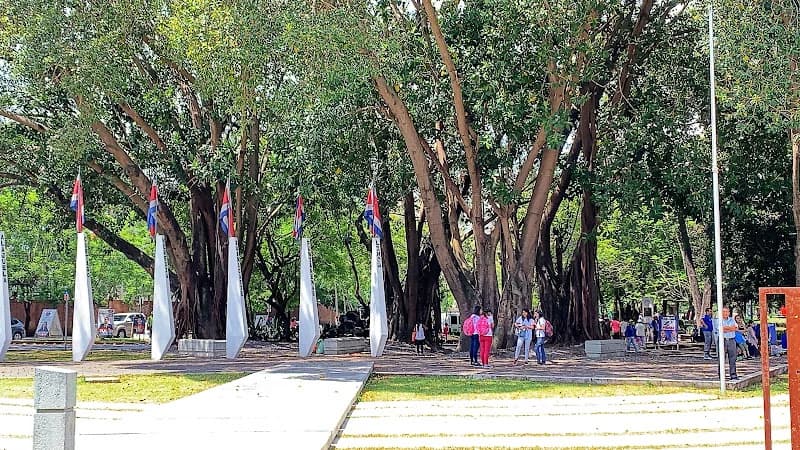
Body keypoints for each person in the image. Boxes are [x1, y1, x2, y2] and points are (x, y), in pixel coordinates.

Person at [720, 306, 739, 380]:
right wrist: (730, 328)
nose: (725, 313)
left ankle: (733, 375)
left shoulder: (732, 320)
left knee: (733, 358)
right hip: (723, 340)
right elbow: (721, 329)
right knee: (722, 358)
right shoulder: (719, 320)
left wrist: (726, 328)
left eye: (726, 312)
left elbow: (735, 328)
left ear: (729, 313)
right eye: (723, 312)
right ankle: (721, 375)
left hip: (731, 340)